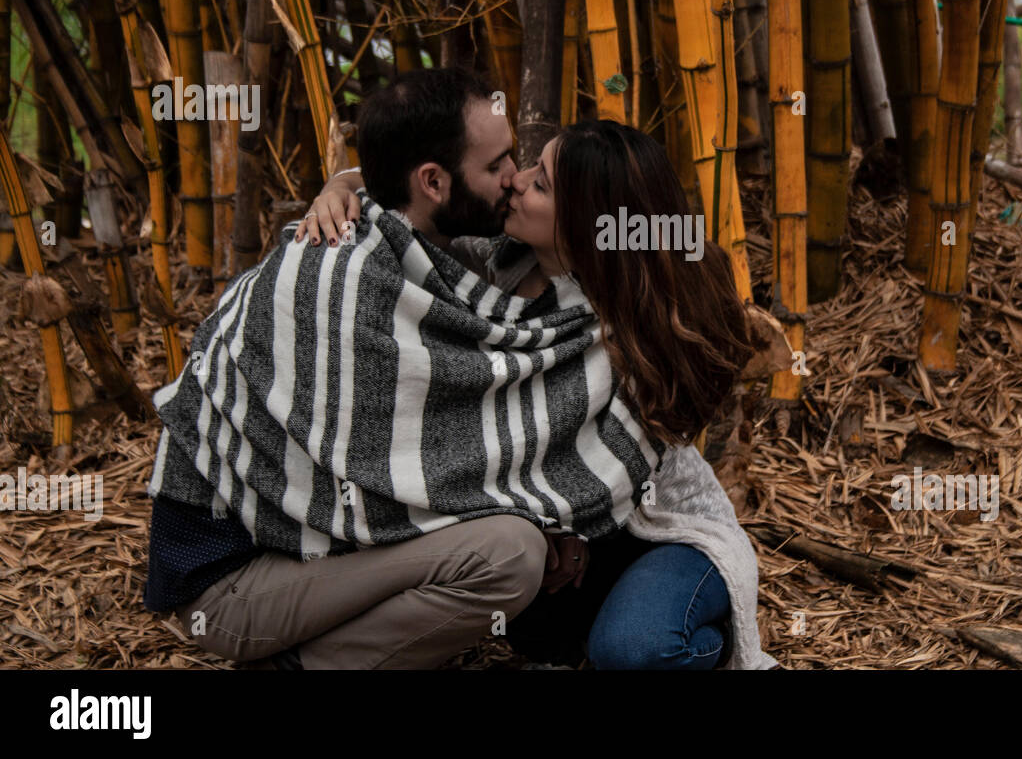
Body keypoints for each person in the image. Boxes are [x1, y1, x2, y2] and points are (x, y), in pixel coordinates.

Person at [144, 67, 777, 669]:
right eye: (504, 165)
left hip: (655, 533)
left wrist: (553, 520)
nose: (515, 179)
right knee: (522, 577)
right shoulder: (466, 268)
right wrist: (343, 183)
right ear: (434, 181)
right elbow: (401, 458)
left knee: (625, 646)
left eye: (534, 176)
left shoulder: (605, 325)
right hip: (239, 564)